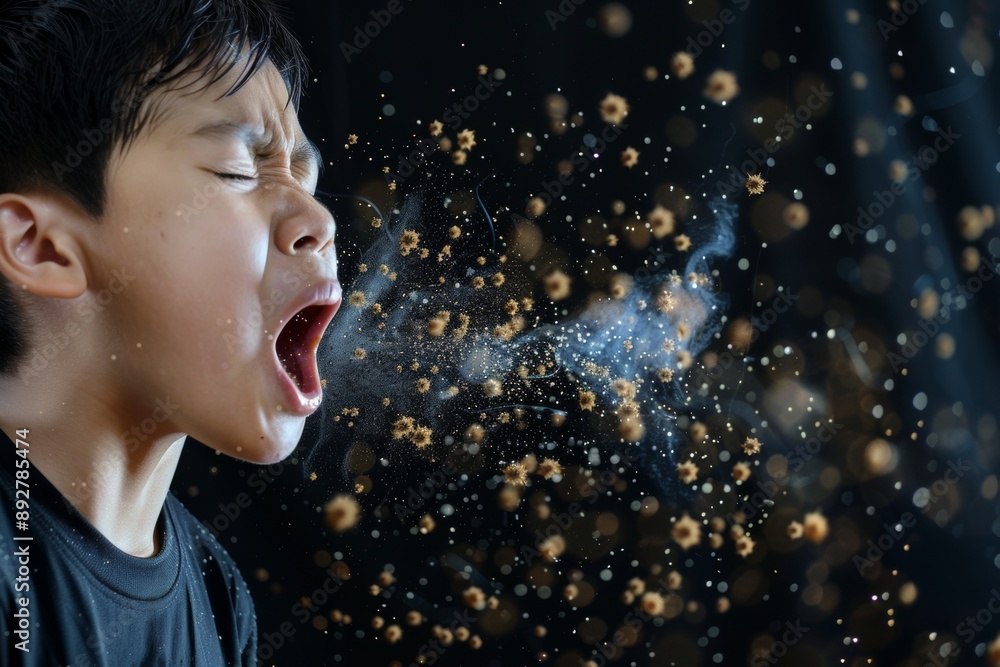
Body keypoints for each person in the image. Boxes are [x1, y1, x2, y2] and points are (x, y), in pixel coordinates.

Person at [0, 1, 340, 664]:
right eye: (238, 171)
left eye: (307, 179)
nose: (318, 220)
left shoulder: (218, 596)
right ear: (42, 247)